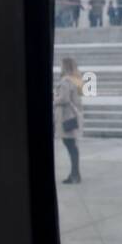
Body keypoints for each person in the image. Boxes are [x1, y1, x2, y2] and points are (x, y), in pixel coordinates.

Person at [55, 56, 84, 184]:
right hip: (72, 116)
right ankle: (75, 174)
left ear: (65, 67)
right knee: (72, 146)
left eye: (61, 65)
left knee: (70, 146)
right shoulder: (75, 80)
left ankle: (74, 175)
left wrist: (53, 100)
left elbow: (64, 99)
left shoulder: (65, 81)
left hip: (66, 117)